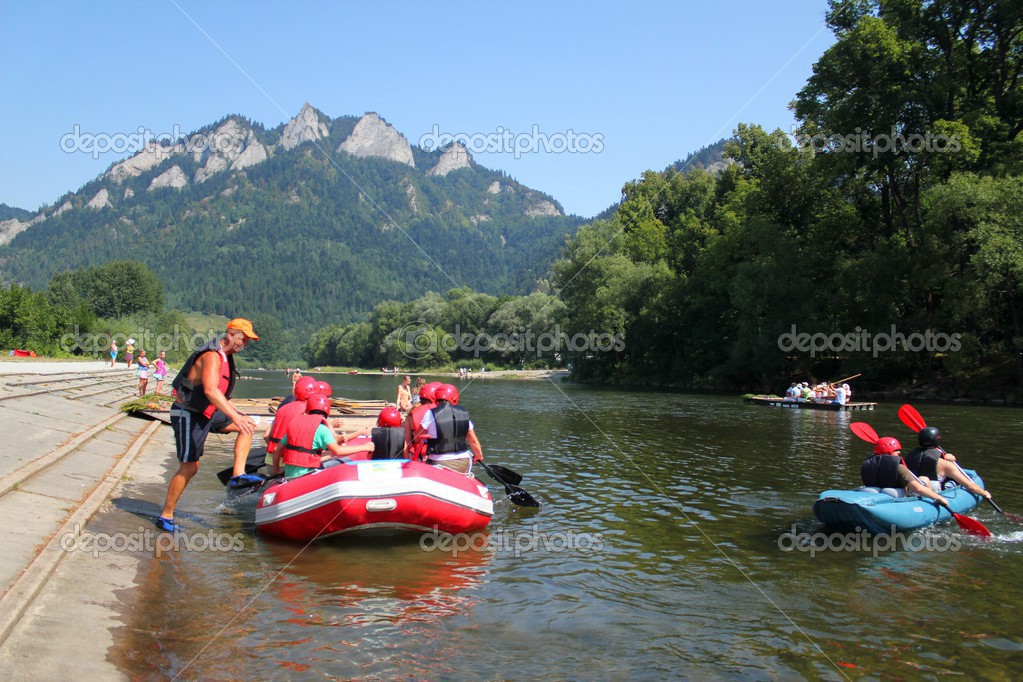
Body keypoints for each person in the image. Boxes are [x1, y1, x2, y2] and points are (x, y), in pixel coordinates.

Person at [157, 318, 259, 532]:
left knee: (246, 426)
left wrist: (239, 415)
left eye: (248, 341)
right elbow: (211, 390)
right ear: (230, 334)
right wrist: (235, 415)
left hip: (208, 412)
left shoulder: (227, 357)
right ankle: (166, 515)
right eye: (244, 339)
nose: (245, 344)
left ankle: (238, 476)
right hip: (188, 414)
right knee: (190, 467)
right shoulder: (212, 356)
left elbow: (221, 395)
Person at [859, 435, 952, 509]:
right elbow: (918, 488)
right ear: (887, 451)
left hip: (875, 495)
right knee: (925, 478)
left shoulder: (868, 464)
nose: (899, 452)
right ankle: (931, 501)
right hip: (898, 497)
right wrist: (939, 498)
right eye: (896, 450)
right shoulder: (899, 467)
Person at [904, 426, 990, 499]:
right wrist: (984, 493)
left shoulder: (908, 457)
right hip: (933, 492)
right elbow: (970, 486)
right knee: (952, 483)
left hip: (913, 489)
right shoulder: (945, 464)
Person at [277, 394, 351, 478]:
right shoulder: (322, 429)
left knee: (331, 454)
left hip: (289, 474)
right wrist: (364, 447)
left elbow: (277, 449)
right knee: (347, 460)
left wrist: (276, 471)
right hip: (306, 475)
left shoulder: (296, 425)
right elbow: (338, 451)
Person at [419, 384, 483, 474]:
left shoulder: (430, 414)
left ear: (435, 398)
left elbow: (417, 437)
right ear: (455, 398)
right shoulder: (463, 413)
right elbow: (473, 441)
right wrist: (478, 455)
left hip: (439, 462)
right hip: (463, 462)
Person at [265, 375, 318, 474]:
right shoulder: (308, 411)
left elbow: (266, 435)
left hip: (270, 462)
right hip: (290, 465)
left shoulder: (282, 408)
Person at [330, 407, 408, 462]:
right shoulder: (403, 436)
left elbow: (369, 456)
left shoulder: (375, 435)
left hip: (377, 466)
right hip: (398, 467)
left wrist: (359, 432)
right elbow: (406, 455)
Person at [406, 381, 440, 460]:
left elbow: (406, 442)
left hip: (416, 454)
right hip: (435, 454)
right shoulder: (440, 412)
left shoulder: (411, 413)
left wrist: (406, 459)